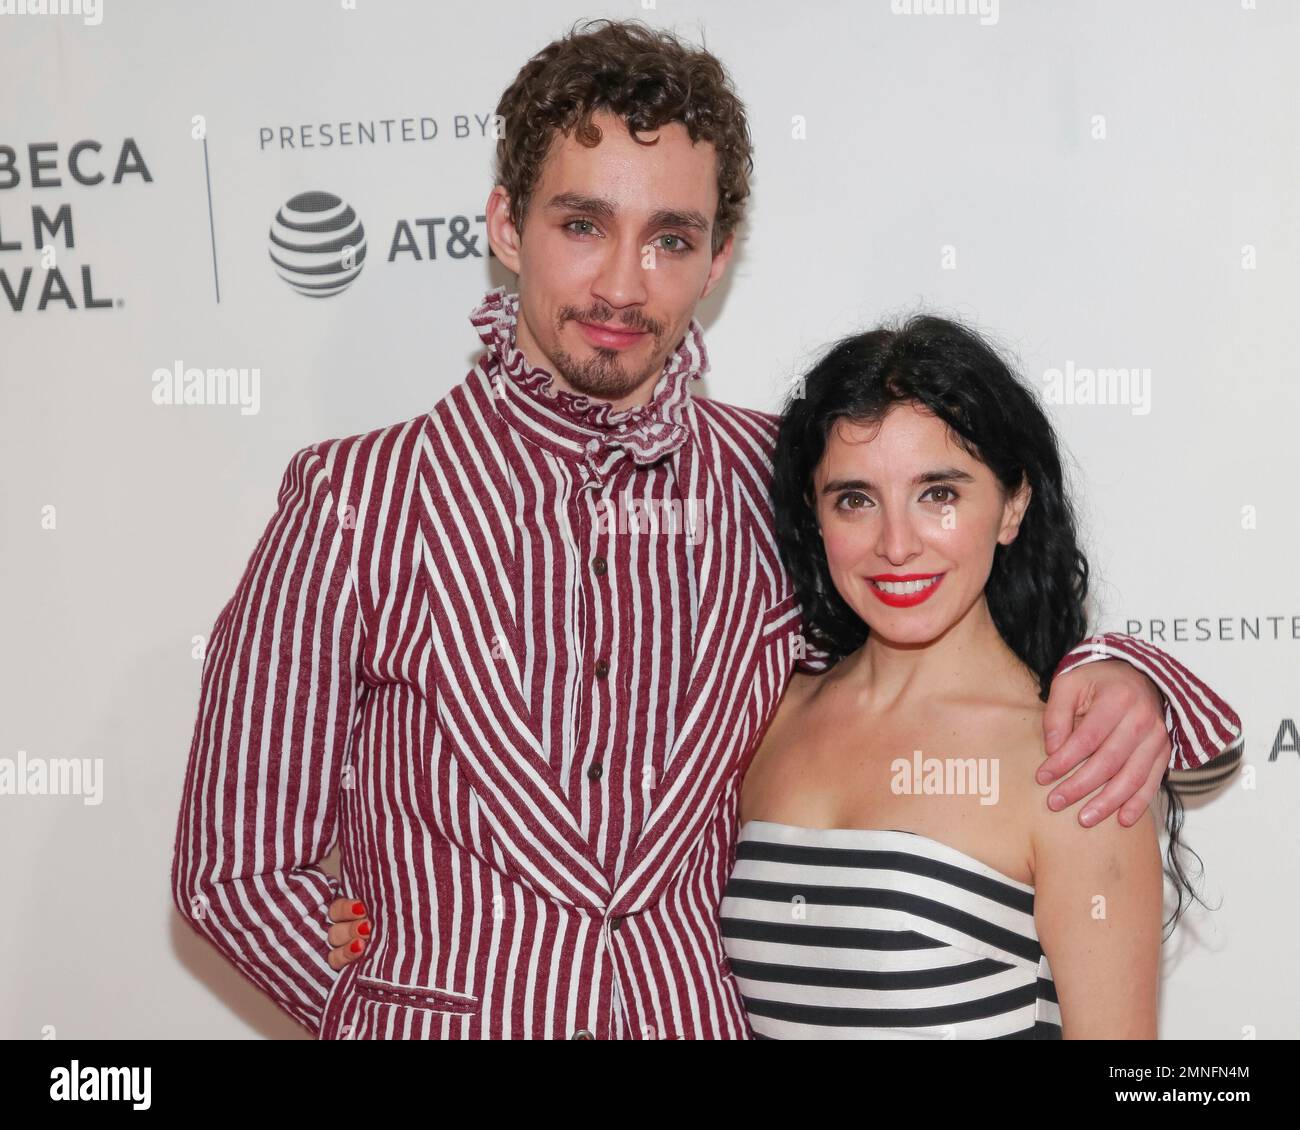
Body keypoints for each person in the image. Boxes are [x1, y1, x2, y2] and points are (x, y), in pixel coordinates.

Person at [170, 19, 1240, 1039]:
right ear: (506, 225)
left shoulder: (771, 480)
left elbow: (921, 615)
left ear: (717, 255)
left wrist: (1115, 666)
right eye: (582, 223)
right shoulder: (358, 499)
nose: (623, 284)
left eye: (669, 238)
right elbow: (234, 868)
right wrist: (389, 1002)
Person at [720, 315, 1204, 1038]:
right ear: (815, 519)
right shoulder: (766, 713)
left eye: (938, 494)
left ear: (1012, 505)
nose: (896, 544)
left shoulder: (1074, 764)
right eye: (855, 499)